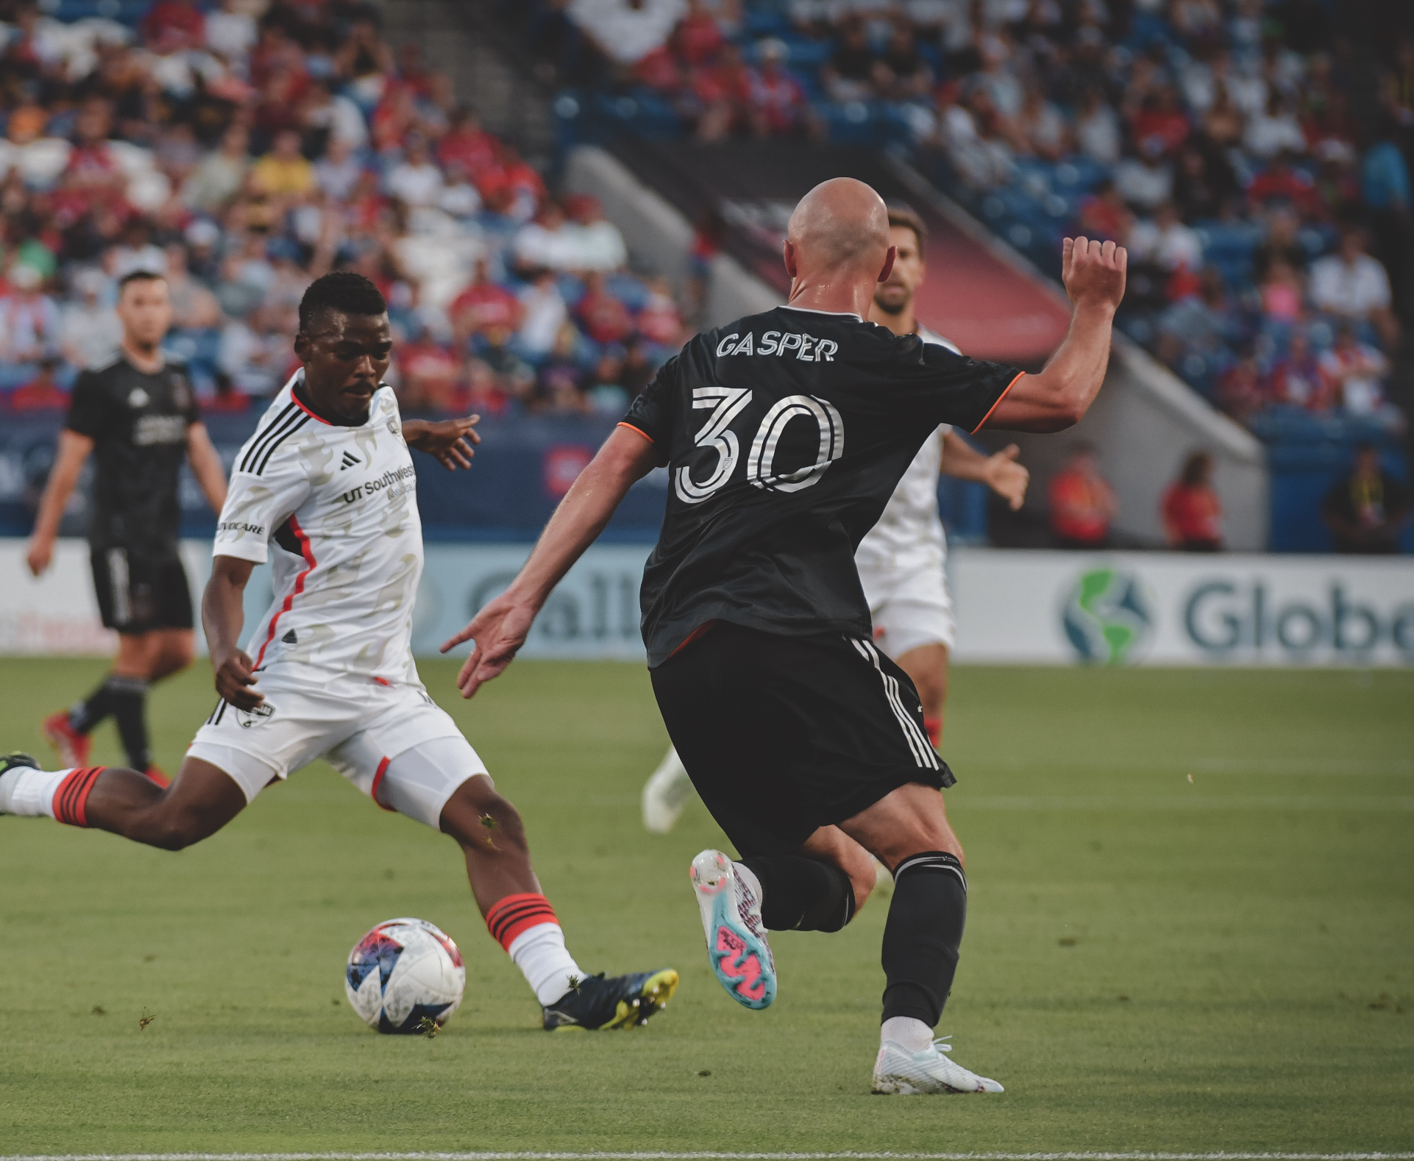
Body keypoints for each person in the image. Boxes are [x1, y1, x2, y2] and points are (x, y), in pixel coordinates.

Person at [445, 180, 1127, 1090]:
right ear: (886, 264)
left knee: (846, 876)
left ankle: (751, 890)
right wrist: (1092, 306)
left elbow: (613, 463)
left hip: (679, 648)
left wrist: (525, 595)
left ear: (790, 258)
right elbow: (1063, 398)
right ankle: (907, 1044)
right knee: (930, 850)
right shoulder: (888, 359)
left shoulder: (708, 352)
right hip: (794, 631)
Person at [0, 272, 679, 1033]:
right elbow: (225, 577)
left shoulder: (374, 399)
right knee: (176, 821)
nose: (369, 368)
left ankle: (564, 988)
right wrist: (221, 649)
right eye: (349, 352)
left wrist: (420, 434)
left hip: (385, 687)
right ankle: (15, 785)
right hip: (293, 678)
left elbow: (365, 447)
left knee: (491, 821)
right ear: (304, 347)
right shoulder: (270, 453)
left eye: (381, 351)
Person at [640, 205, 1031, 832]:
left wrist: (982, 470)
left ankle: (912, 816)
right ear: (872, 264)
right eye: (888, 252)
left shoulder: (939, 354)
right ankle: (705, 761)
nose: (896, 268)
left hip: (912, 554)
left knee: (927, 677)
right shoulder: (838, 347)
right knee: (789, 702)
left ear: (920, 268)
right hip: (831, 552)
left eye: (908, 254)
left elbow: (932, 437)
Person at [25, 271, 229, 785]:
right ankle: (143, 770)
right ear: (120, 310)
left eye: (158, 302)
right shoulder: (101, 380)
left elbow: (202, 454)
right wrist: (45, 533)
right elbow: (70, 462)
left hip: (163, 538)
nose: (148, 312)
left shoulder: (178, 377)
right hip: (117, 538)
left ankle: (75, 721)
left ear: (169, 312)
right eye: (138, 302)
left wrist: (235, 520)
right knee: (136, 650)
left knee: (180, 651)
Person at [1320, 442, 1411, 554]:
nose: (1367, 464)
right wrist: (1350, 531)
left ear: (1378, 459)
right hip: (1349, 548)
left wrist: (1386, 529)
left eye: (1370, 459)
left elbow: (1404, 511)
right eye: (1363, 460)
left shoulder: (1392, 486)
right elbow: (1329, 513)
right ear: (1355, 460)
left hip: (1384, 549)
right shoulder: (1342, 487)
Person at [1048, 443, 1117, 548]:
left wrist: (1096, 485)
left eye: (1088, 461)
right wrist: (1094, 514)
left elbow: (1113, 510)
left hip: (1098, 540)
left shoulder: (1100, 482)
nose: (1085, 465)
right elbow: (1066, 509)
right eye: (1081, 461)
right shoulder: (1063, 481)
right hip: (1070, 539)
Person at [1161, 451, 1224, 551]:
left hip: (1209, 541)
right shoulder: (1179, 491)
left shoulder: (1208, 491)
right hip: (1187, 541)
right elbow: (1168, 516)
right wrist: (1173, 537)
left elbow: (1216, 514)